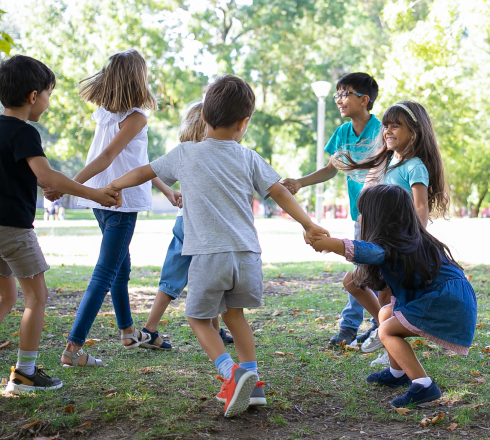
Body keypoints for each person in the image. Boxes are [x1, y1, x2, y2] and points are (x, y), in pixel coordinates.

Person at [106, 74, 330, 417]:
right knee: (235, 317)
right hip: (248, 256)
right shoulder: (248, 157)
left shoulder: (185, 154)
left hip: (209, 256)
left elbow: (143, 171)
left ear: (203, 118)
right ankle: (253, 384)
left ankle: (231, 372)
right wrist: (309, 224)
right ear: (244, 123)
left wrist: (115, 185)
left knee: (197, 317)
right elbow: (280, 191)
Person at [0, 55, 118, 397]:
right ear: (33, 96)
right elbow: (45, 175)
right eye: (48, 94)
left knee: (3, 296)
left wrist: (48, 185)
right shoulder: (25, 132)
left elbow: (24, 178)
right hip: (11, 230)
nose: (48, 101)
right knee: (36, 298)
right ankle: (25, 373)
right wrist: (95, 193)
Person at [39, 50, 181, 368]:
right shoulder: (135, 117)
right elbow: (105, 159)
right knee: (105, 273)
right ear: (137, 79)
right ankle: (72, 349)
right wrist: (66, 185)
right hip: (119, 200)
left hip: (100, 200)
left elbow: (139, 162)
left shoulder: (105, 113)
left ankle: (128, 333)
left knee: (120, 267)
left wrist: (167, 190)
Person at [310, 184, 476, 407]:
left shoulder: (392, 245)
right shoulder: (408, 239)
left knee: (386, 330)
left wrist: (332, 245)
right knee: (386, 313)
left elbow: (368, 251)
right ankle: (397, 373)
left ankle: (424, 385)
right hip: (446, 299)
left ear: (379, 218)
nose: (359, 218)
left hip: (445, 302)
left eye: (363, 213)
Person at [333, 100, 451, 360]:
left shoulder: (415, 166)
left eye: (396, 126)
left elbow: (421, 207)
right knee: (353, 283)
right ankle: (383, 328)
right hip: (378, 243)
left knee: (386, 295)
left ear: (414, 132)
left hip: (399, 245)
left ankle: (390, 342)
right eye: (386, 126)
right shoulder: (386, 164)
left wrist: (416, 241)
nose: (387, 130)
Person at [281, 72, 382, 347]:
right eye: (337, 94)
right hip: (359, 217)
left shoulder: (383, 131)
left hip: (383, 218)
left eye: (344, 94)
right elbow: (330, 169)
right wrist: (300, 182)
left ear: (364, 100)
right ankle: (371, 325)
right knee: (361, 271)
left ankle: (358, 327)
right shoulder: (342, 133)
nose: (339, 99)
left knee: (367, 272)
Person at [138, 102, 235, 352]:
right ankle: (150, 329)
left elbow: (151, 170)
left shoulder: (184, 151)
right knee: (202, 274)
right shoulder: (214, 151)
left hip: (185, 221)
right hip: (201, 224)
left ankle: (154, 328)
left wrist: (172, 191)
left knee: (188, 275)